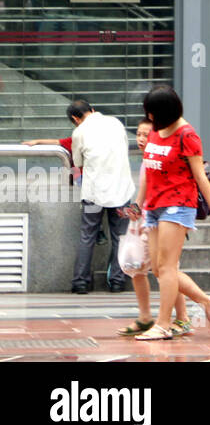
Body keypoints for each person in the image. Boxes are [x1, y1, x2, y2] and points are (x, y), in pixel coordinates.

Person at [129, 85, 210, 340]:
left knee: (168, 266)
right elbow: (148, 172)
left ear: (165, 111)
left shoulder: (187, 136)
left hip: (178, 205)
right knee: (159, 270)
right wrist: (138, 204)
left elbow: (200, 177)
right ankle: (207, 301)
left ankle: (163, 324)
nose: (149, 118)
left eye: (152, 113)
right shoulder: (155, 131)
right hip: (153, 205)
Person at [117, 119, 194, 338]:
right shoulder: (148, 158)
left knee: (166, 270)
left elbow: (148, 190)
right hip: (148, 219)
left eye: (145, 135)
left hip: (162, 219)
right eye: (139, 134)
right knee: (141, 270)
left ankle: (189, 313)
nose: (141, 139)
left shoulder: (162, 156)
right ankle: (146, 318)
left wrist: (137, 211)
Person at [62, 100, 135, 294]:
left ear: (75, 119)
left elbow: (77, 161)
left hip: (93, 193)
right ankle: (118, 281)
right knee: (120, 236)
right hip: (122, 191)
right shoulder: (116, 123)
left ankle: (80, 282)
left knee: (88, 235)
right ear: (92, 109)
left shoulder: (80, 131)